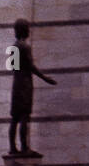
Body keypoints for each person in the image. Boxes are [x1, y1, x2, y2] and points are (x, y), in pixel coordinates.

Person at [8, 19, 56, 157]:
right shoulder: (25, 47)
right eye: (27, 28)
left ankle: (12, 147)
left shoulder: (14, 46)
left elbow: (13, 66)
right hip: (24, 85)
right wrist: (45, 78)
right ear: (24, 30)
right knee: (24, 117)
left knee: (15, 118)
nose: (29, 31)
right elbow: (30, 66)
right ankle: (24, 148)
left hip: (16, 84)